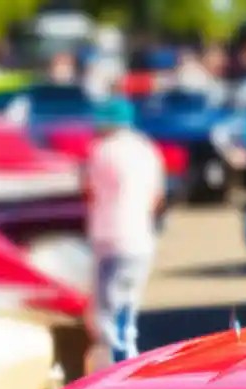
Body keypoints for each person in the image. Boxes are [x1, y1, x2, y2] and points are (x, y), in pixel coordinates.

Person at [84, 97, 165, 371]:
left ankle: (115, 372)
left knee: (106, 315)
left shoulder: (101, 150)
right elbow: (156, 198)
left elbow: (91, 192)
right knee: (127, 310)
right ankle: (129, 364)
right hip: (140, 239)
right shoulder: (147, 149)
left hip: (109, 237)